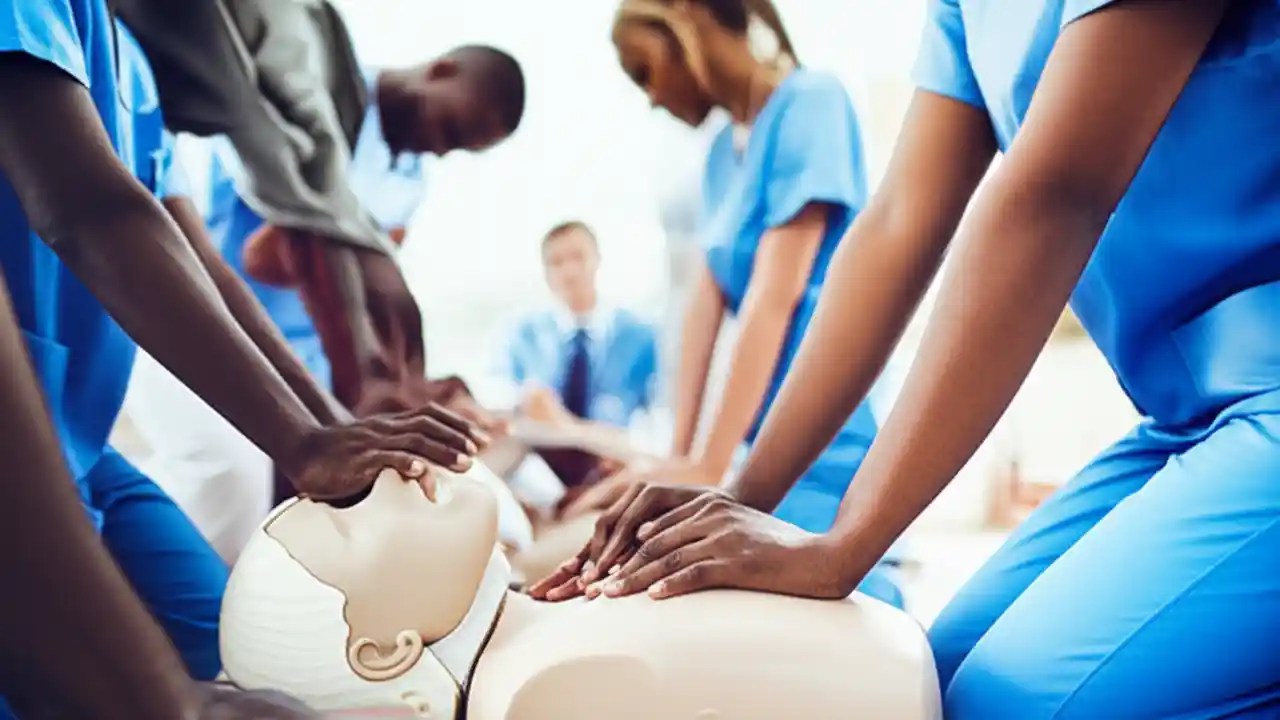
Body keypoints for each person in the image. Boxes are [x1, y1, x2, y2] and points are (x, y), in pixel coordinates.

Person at [536, 0, 1280, 717]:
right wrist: (740, 494)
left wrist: (845, 543)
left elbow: (1056, 195)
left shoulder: (807, 104)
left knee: (1018, 701)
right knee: (931, 675)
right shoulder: (962, 9)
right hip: (1186, 418)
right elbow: (898, 224)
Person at [0, 0, 482, 694]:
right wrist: (303, 440)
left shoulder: (131, 63)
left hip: (82, 440)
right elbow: (91, 209)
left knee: (240, 654)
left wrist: (327, 427)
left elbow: (203, 262)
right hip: (24, 449)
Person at [546, 0, 904, 605]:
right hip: (751, 450)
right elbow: (703, 309)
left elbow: (773, 298)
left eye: (644, 71)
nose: (651, 98)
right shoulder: (719, 157)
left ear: (685, 23)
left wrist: (711, 469)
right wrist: (676, 460)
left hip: (819, 444)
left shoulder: (812, 101)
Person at [120, 44, 522, 555]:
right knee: (229, 480)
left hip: (320, 371)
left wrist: (414, 383)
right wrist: (338, 244)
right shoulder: (309, 88)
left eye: (459, 148)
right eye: (449, 129)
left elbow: (379, 292)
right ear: (441, 69)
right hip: (227, 335)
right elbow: (264, 254)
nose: (441, 149)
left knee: (303, 525)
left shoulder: (410, 182)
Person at [218, 466, 941, 719]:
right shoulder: (532, 693)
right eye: (350, 522)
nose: (383, 480)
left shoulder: (529, 634)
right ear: (386, 652)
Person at [0, 272, 315, 719]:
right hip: (20, 461)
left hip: (78, 436)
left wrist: (316, 431)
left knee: (225, 641)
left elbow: (177, 248)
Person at [500, 220, 660, 488]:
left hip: (618, 468)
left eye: (578, 257)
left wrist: (567, 426)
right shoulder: (522, 335)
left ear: (597, 260)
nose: (570, 271)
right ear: (545, 273)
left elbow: (657, 426)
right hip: (543, 477)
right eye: (557, 262)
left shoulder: (642, 336)